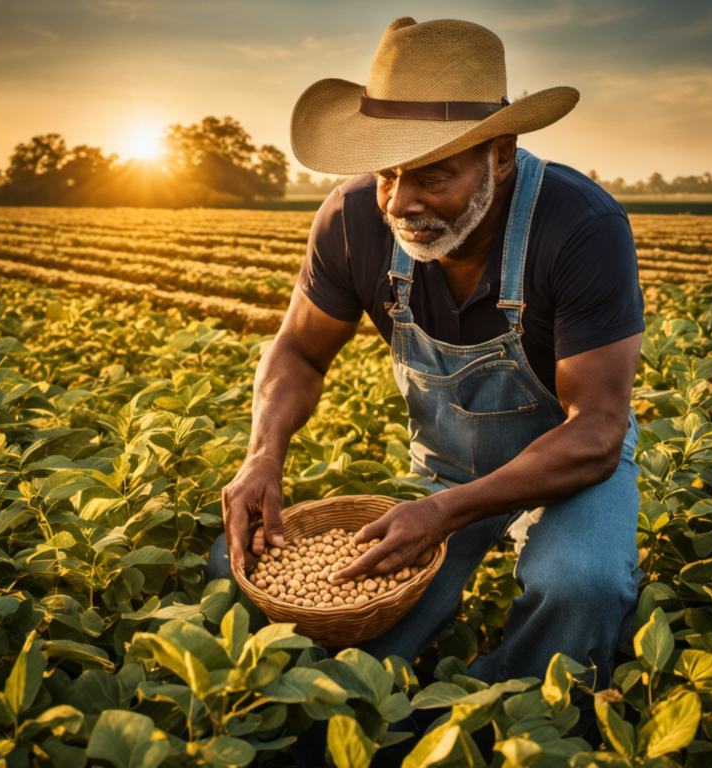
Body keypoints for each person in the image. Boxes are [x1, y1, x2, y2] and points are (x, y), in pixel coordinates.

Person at [209, 16, 645, 764]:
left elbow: (598, 430)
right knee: (314, 612)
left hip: (568, 468)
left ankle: (513, 735)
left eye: (432, 174)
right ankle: (375, 733)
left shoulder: (580, 227)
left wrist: (444, 514)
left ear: (500, 154)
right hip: (442, 468)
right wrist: (261, 455)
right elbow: (300, 352)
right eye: (387, 172)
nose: (399, 202)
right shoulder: (353, 219)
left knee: (579, 583)